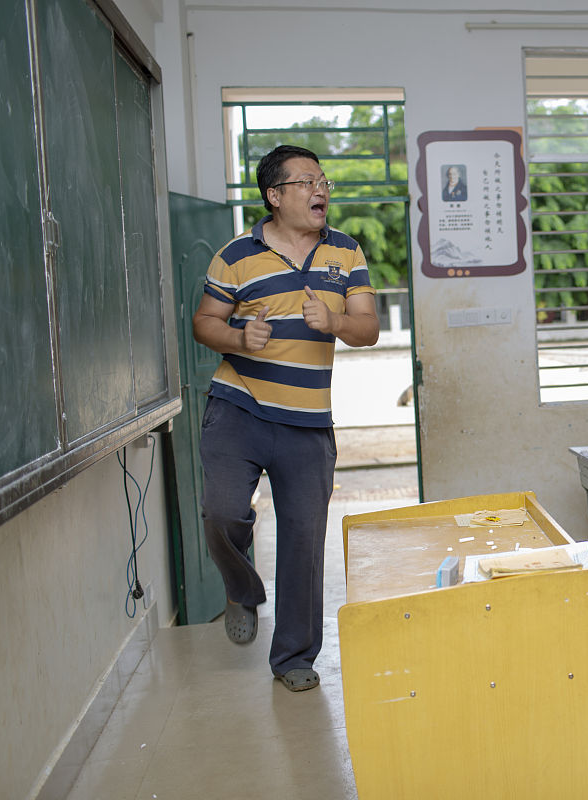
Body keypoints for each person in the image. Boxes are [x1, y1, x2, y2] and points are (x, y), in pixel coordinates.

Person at [192, 145, 379, 692]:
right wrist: (236, 336)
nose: (321, 190)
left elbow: (366, 329)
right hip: (238, 407)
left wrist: (336, 319)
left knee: (303, 540)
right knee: (223, 515)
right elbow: (205, 322)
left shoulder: (345, 253)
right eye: (306, 182)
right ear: (275, 196)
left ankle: (294, 659)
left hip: (307, 421)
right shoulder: (235, 254)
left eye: (324, 181)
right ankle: (241, 589)